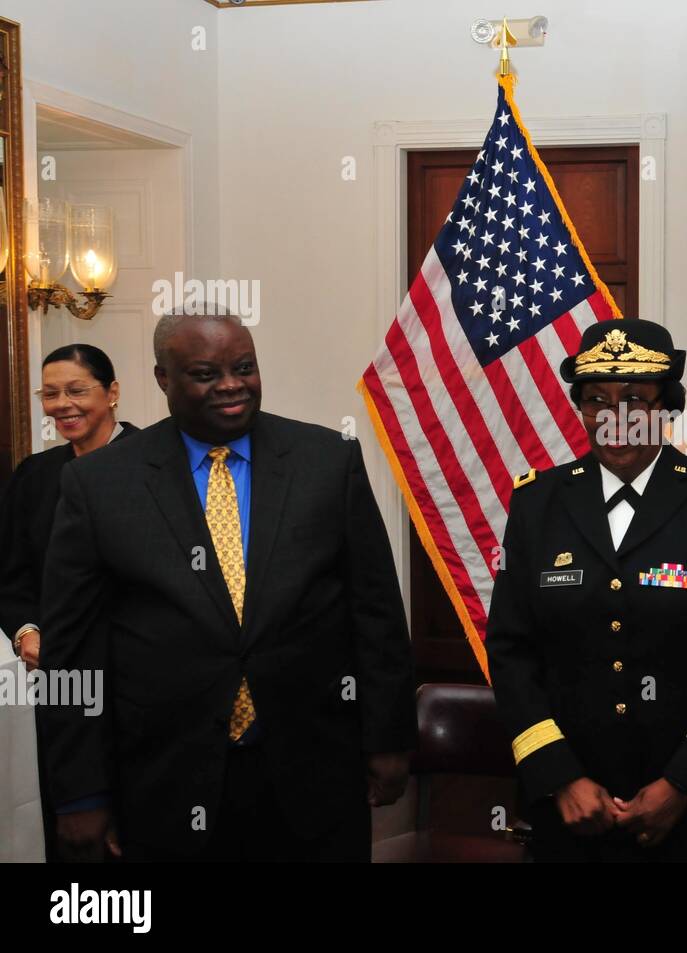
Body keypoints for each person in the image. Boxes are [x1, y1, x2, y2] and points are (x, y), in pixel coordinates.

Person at [37, 307, 416, 862]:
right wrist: (79, 791)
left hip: (313, 771)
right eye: (206, 374)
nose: (232, 386)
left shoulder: (326, 462)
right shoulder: (99, 484)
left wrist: (389, 738)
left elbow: (376, 610)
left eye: (244, 367)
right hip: (163, 778)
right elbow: (71, 652)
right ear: (164, 378)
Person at [487, 318, 687, 862]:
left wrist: (684, 783)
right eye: (597, 399)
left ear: (666, 407)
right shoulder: (536, 504)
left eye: (635, 400)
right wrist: (560, 777)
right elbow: (511, 652)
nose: (614, 418)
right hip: (571, 815)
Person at [0, 344, 138, 860]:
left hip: (140, 680)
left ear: (113, 392)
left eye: (76, 390)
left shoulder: (157, 464)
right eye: (50, 393)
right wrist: (25, 631)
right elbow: (10, 578)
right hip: (62, 685)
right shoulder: (34, 477)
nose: (62, 404)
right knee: (74, 833)